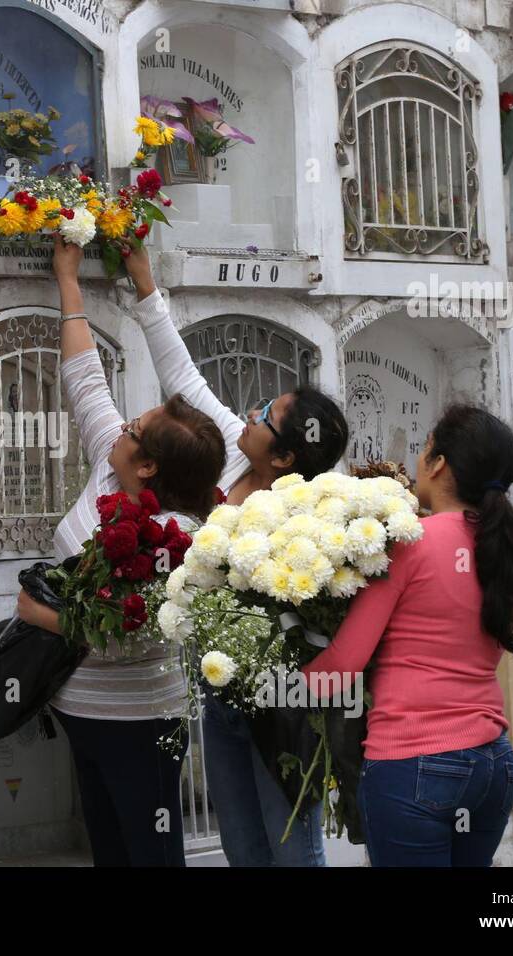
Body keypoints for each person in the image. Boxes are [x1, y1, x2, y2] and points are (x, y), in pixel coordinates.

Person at [123, 246, 350, 866]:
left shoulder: (316, 521)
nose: (247, 416)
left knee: (290, 844)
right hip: (220, 687)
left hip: (282, 699)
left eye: (264, 417)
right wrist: (145, 283)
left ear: (284, 458)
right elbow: (183, 375)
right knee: (242, 844)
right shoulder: (230, 462)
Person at [14, 237, 226, 866]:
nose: (124, 422)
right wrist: (68, 278)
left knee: (151, 852)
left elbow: (140, 634)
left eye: (136, 428)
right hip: (78, 706)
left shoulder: (179, 539)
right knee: (109, 850)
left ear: (151, 464)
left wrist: (41, 615)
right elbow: (86, 380)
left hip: (141, 719)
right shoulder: (115, 470)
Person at [301, 405, 513, 866]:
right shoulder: (499, 548)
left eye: (424, 448)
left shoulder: (412, 543)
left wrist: (277, 684)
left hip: (415, 764)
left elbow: (344, 664)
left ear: (439, 462)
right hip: (493, 765)